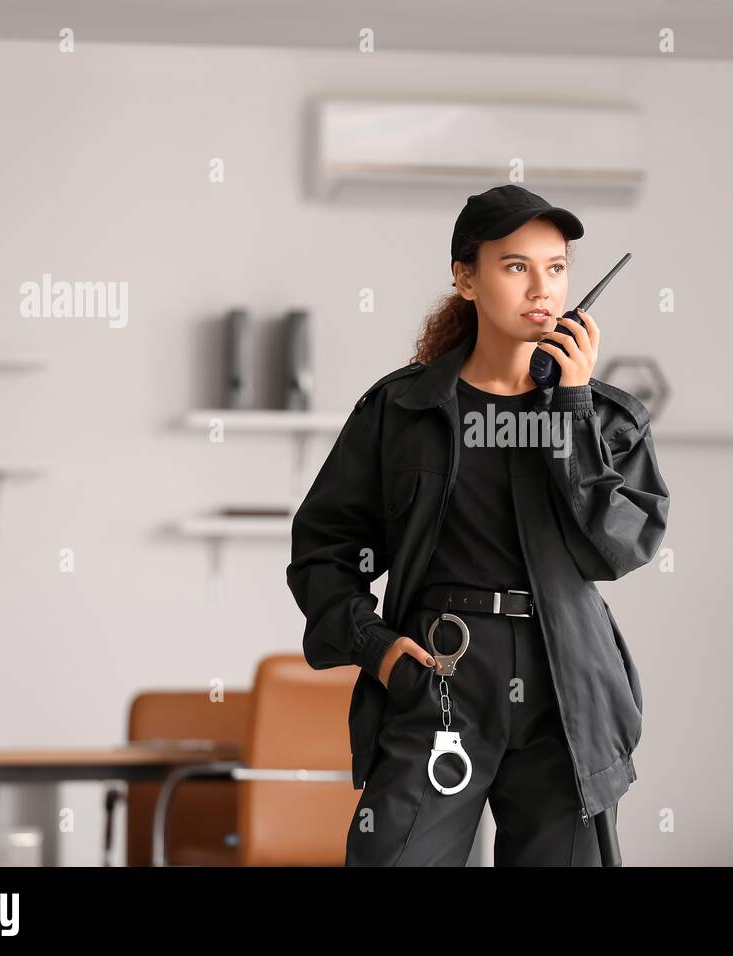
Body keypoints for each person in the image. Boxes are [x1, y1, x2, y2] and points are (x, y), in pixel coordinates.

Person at [286, 184, 670, 865]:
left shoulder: (607, 419)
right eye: (515, 266)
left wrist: (571, 409)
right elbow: (324, 547)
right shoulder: (398, 410)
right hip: (440, 673)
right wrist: (373, 644)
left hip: (565, 688)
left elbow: (618, 546)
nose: (541, 287)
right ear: (466, 277)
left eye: (556, 268)